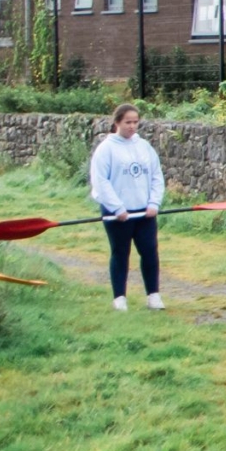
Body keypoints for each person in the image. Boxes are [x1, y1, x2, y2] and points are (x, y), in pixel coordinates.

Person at [88, 102, 165, 312]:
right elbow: (101, 182)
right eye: (127, 122)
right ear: (117, 123)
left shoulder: (144, 147)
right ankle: (119, 298)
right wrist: (117, 208)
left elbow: (157, 176)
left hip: (145, 212)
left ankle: (153, 295)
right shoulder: (106, 149)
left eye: (135, 122)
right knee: (120, 252)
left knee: (150, 251)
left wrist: (154, 202)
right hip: (118, 214)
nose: (132, 126)